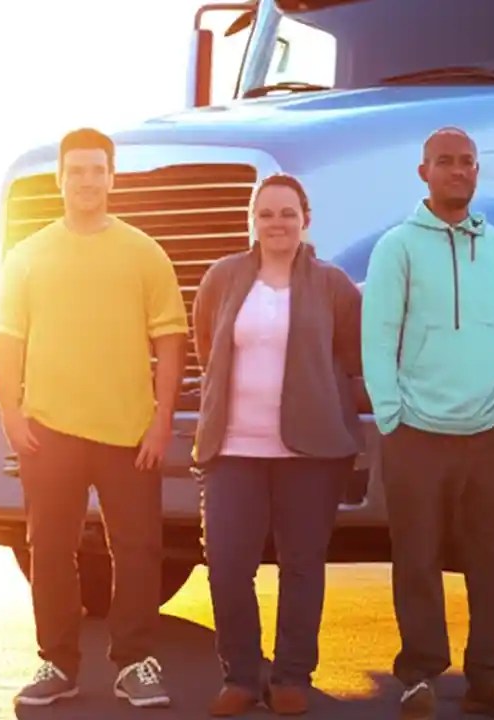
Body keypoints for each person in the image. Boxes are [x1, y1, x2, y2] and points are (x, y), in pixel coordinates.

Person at [0, 128, 189, 709]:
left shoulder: (143, 252)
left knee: (138, 550)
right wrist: (9, 412)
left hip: (129, 432)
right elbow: (7, 342)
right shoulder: (28, 257)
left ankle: (135, 662)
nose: (86, 181)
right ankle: (57, 662)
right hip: (49, 430)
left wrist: (160, 421)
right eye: (75, 171)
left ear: (111, 176)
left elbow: (170, 342)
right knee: (49, 550)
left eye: (96, 170)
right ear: (60, 178)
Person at [361, 127, 494, 720]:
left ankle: (490, 677)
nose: (458, 171)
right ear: (425, 173)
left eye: (467, 162)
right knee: (416, 560)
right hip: (416, 430)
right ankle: (419, 678)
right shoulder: (397, 246)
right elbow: (379, 335)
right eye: (445, 162)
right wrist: (391, 416)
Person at [190, 173, 363, 717]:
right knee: (226, 565)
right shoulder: (222, 278)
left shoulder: (333, 285)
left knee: (302, 565)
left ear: (305, 220)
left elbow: (350, 356)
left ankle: (291, 675)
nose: (277, 223)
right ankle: (241, 675)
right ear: (253, 221)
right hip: (233, 449)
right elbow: (205, 347)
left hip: (310, 454)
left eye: (288, 213)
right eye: (266, 213)